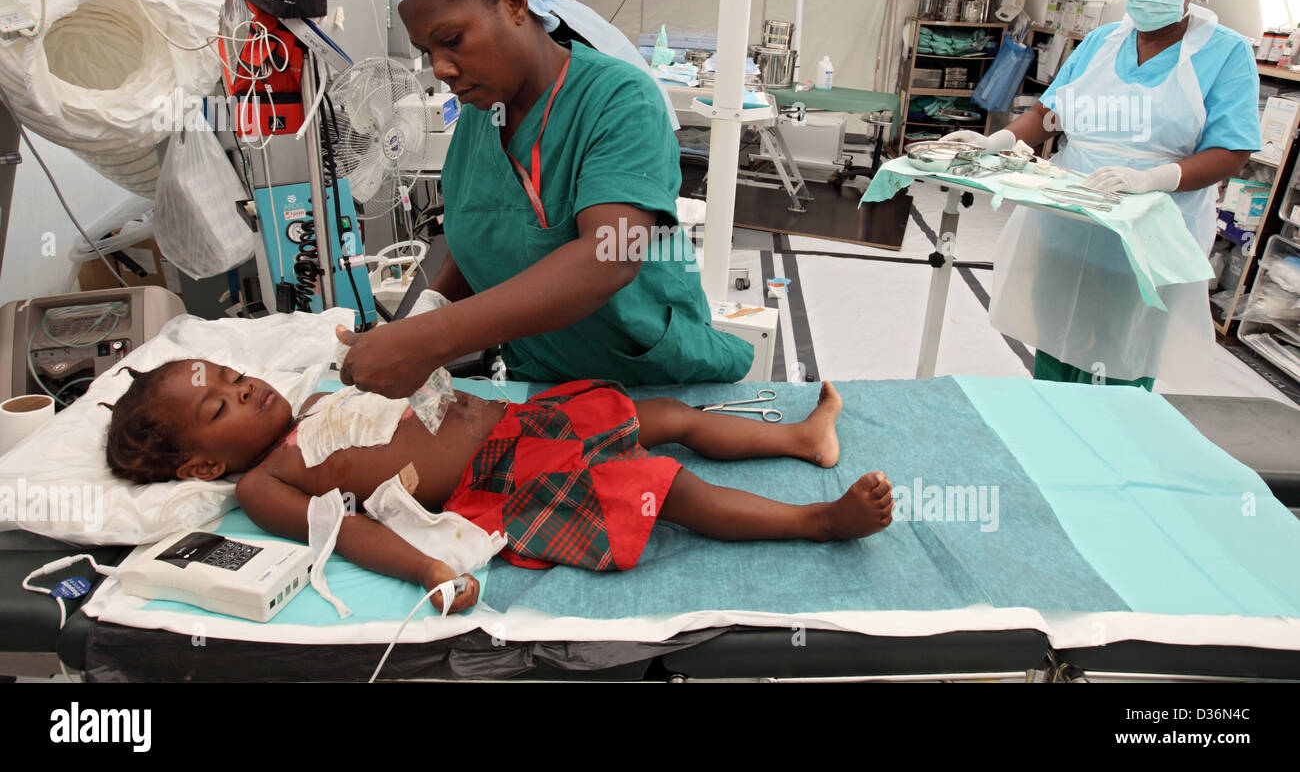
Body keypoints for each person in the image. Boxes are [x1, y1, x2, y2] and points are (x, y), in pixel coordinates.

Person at [335, 0, 751, 396]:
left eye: (451, 40)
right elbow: (484, 228)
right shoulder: (481, 110)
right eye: (428, 52)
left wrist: (431, 339)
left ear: (514, 4)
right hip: (548, 377)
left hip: (652, 380)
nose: (442, 68)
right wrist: (431, 308)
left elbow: (612, 255)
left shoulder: (619, 100)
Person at [102, 360, 893, 614]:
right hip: (503, 481)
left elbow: (401, 392)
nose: (246, 393)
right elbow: (344, 534)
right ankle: (817, 522)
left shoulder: (312, 400)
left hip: (522, 425)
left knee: (662, 415)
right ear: (203, 467)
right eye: (219, 407)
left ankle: (799, 435)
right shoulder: (270, 481)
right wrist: (432, 571)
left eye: (237, 379)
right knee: (662, 487)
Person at [943, 0, 1261, 388]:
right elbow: (1048, 114)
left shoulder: (1226, 52)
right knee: (1057, 330)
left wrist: (1151, 179)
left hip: (1150, 226)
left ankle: (1105, 441)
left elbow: (1230, 151)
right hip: (1069, 214)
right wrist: (998, 141)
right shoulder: (1101, 40)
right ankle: (1049, 427)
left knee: (1125, 346)